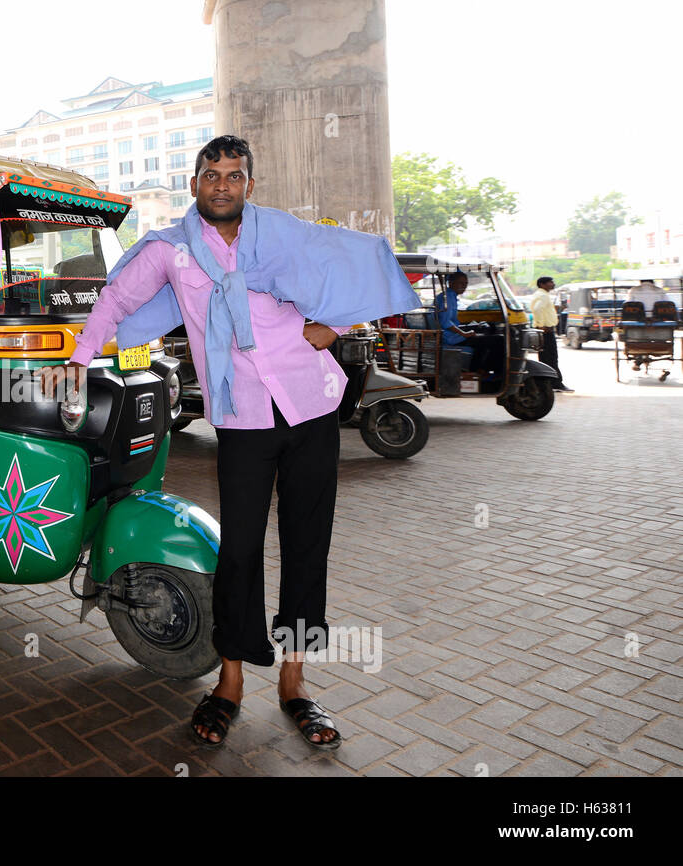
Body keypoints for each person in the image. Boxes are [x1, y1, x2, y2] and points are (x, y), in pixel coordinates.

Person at [40, 135, 418, 751]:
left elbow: (348, 265)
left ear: (248, 184)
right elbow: (116, 299)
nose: (222, 184)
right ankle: (231, 681)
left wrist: (338, 325)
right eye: (211, 174)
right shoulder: (171, 250)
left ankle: (295, 683)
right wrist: (80, 360)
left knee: (307, 544)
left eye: (234, 175)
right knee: (238, 550)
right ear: (194, 185)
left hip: (310, 405)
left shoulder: (281, 234)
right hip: (242, 416)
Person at [435, 270, 501, 377]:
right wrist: (464, 334)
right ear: (451, 283)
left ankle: (479, 369)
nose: (464, 286)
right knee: (497, 340)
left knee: (484, 338)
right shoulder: (447, 298)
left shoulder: (450, 296)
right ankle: (480, 371)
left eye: (465, 284)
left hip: (452, 336)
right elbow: (445, 322)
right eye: (461, 283)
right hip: (450, 338)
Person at [531, 277, 572, 391]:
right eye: (550, 282)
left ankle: (547, 384)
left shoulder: (541, 294)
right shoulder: (543, 295)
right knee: (551, 357)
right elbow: (537, 309)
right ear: (542, 284)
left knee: (545, 357)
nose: (553, 284)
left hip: (544, 330)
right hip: (546, 331)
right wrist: (541, 325)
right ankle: (556, 383)